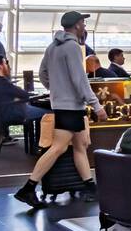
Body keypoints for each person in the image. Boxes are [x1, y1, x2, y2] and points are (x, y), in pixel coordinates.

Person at [13, 12, 106, 208]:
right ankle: (28, 189)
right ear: (77, 25)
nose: (84, 25)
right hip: (71, 106)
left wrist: (55, 89)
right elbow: (79, 79)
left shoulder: (52, 47)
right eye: (83, 22)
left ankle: (90, 187)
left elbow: (42, 73)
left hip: (63, 103)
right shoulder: (72, 47)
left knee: (81, 145)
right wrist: (96, 105)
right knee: (59, 147)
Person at [0, 54, 49, 139]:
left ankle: (38, 144)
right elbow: (23, 94)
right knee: (49, 113)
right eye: (5, 63)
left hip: (3, 114)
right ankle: (44, 144)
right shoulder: (1, 82)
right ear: (0, 66)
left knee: (38, 110)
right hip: (13, 114)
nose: (7, 66)